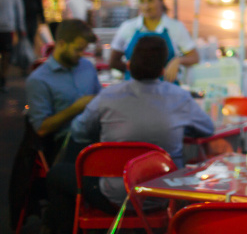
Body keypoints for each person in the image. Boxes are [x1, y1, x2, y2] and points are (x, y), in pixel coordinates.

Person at [47, 35, 214, 233]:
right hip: (165, 196)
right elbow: (207, 128)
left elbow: (78, 130)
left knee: (57, 174)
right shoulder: (180, 98)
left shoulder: (108, 96)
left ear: (129, 64)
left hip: (114, 197)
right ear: (163, 68)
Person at [25, 19, 101, 159]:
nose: (81, 54)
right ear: (61, 44)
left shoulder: (87, 66)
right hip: (65, 143)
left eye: (83, 50)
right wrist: (76, 108)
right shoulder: (39, 79)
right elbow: (41, 128)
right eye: (78, 49)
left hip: (96, 135)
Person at [109, 0, 199, 82]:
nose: (146, 6)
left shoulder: (175, 27)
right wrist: (134, 72)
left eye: (150, 0)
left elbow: (194, 57)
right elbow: (113, 62)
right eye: (142, 1)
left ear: (161, 0)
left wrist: (178, 61)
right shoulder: (128, 27)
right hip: (135, 91)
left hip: (166, 90)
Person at [0, 0, 26, 91]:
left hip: (7, 27)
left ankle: (3, 78)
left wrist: (21, 27)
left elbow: (19, 8)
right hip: (7, 26)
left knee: (6, 54)